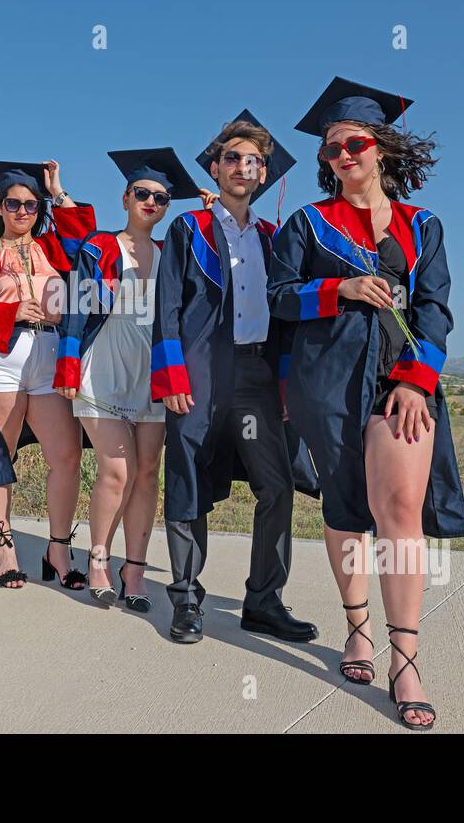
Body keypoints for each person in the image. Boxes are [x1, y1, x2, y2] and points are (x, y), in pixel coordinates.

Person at [269, 77, 464, 729]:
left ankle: (404, 658)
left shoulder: (423, 226)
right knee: (345, 506)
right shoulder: (308, 224)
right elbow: (276, 298)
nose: (341, 156)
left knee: (400, 510)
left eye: (353, 143)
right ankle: (357, 628)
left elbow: (436, 311)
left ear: (381, 147)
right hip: (326, 382)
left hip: (400, 382)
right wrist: (341, 290)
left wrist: (417, 379)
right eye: (331, 150)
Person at [152, 110, 320, 644]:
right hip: (200, 373)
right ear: (216, 168)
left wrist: (290, 385)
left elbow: (290, 314)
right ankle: (185, 598)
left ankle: (264, 600)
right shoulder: (190, 229)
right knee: (188, 478)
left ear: (263, 174)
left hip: (258, 375)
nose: (243, 167)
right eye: (232, 158)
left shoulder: (275, 236)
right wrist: (172, 376)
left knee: (276, 484)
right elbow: (167, 308)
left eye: (254, 160)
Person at [53, 148, 200, 610]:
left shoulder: (170, 253)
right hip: (104, 366)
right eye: (143, 193)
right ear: (125, 197)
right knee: (117, 471)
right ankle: (99, 557)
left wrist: (212, 212)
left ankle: (133, 569)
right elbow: (77, 304)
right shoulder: (100, 246)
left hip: (151, 371)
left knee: (148, 473)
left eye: (161, 197)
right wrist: (68, 365)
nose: (151, 202)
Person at [0, 160, 95, 588]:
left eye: (31, 204)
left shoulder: (55, 248)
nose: (22, 210)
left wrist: (58, 190)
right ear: (0, 207)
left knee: (66, 457)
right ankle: (3, 544)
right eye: (13, 203)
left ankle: (58, 549)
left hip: (49, 353)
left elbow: (83, 237)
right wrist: (8, 313)